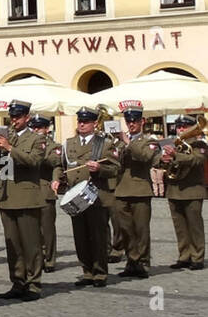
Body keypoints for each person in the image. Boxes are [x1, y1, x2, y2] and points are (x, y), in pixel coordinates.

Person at [53, 107, 120, 287]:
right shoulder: (69, 143)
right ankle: (87, 271)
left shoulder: (103, 143)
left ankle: (100, 272)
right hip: (76, 196)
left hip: (97, 196)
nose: (82, 124)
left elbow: (115, 168)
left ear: (94, 124)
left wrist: (100, 169)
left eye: (86, 122)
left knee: (98, 236)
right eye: (80, 121)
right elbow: (60, 166)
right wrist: (56, 179)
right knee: (80, 237)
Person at [0, 100, 49, 301]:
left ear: (27, 118)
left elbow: (34, 161)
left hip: (26, 197)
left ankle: (33, 284)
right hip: (7, 196)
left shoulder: (36, 139)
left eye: (18, 117)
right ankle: (17, 282)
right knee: (13, 244)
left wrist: (10, 148)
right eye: (12, 117)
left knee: (30, 244)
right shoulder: (8, 137)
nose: (14, 121)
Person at [112, 105, 159, 279]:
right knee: (125, 230)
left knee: (141, 229)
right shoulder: (119, 142)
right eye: (128, 121)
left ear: (142, 122)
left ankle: (143, 263)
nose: (131, 124)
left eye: (135, 121)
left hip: (140, 190)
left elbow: (146, 157)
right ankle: (132, 261)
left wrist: (128, 142)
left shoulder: (149, 142)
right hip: (121, 190)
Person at [163, 115, 207, 270]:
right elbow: (164, 164)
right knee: (180, 226)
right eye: (178, 126)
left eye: (184, 126)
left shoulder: (199, 144)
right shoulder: (173, 144)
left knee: (194, 225)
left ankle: (197, 257)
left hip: (192, 190)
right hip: (174, 189)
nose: (180, 129)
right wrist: (165, 159)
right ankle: (184, 256)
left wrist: (175, 155)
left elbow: (197, 160)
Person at [30, 115, 62, 272]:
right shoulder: (28, 143)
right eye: (34, 127)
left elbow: (55, 163)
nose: (36, 130)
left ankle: (49, 259)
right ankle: (37, 258)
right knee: (32, 229)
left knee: (47, 228)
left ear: (46, 129)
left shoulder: (53, 146)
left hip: (45, 189)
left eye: (39, 127)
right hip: (29, 190)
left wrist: (36, 154)